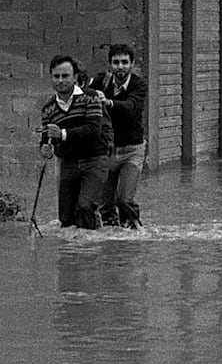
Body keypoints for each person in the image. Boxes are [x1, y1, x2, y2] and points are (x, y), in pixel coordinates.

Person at [38, 55, 112, 229]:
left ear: (75, 77)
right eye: (56, 77)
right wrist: (45, 148)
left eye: (65, 76)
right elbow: (46, 139)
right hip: (69, 162)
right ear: (51, 78)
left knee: (85, 207)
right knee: (66, 217)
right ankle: (71, 254)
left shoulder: (91, 97)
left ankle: (89, 252)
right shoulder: (48, 109)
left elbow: (94, 130)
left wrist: (62, 134)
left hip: (95, 159)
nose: (61, 81)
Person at [86, 44, 147, 229]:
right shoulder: (100, 82)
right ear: (110, 64)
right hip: (107, 151)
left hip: (132, 150)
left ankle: (134, 232)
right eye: (116, 63)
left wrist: (109, 102)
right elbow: (83, 95)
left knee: (124, 199)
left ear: (132, 64)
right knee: (105, 205)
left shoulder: (139, 85)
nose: (120, 67)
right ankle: (112, 245)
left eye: (124, 63)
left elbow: (131, 107)